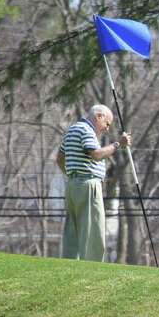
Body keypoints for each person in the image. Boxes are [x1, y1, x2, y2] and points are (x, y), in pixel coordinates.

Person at [56, 104, 131, 261]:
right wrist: (118, 144)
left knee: (73, 231)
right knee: (92, 230)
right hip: (88, 184)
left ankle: (70, 265)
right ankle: (92, 267)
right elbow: (96, 154)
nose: (107, 128)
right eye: (107, 124)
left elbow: (59, 158)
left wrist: (72, 175)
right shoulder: (86, 130)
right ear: (99, 117)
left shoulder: (72, 129)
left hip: (72, 186)